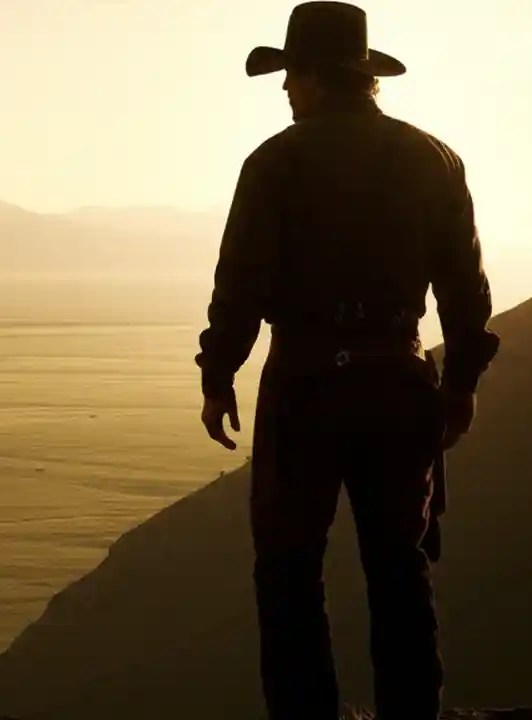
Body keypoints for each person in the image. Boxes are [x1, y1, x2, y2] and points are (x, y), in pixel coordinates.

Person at [194, 3, 500, 719]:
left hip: (303, 382)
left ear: (314, 76)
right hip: (397, 379)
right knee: (399, 567)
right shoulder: (434, 158)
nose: (284, 92)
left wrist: (218, 375)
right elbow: (465, 284)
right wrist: (460, 384)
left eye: (290, 76)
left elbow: (240, 281)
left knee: (289, 569)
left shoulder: (275, 162)